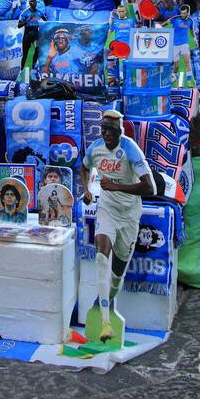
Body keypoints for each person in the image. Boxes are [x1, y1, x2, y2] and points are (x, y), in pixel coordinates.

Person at [81, 110, 154, 341]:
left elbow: (149, 188)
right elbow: (83, 167)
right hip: (107, 209)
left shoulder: (130, 149)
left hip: (130, 214)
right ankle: (104, 322)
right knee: (101, 255)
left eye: (110, 130)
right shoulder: (95, 148)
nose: (106, 134)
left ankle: (107, 301)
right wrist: (86, 191)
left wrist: (117, 186)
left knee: (117, 274)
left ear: (120, 131)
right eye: (103, 129)